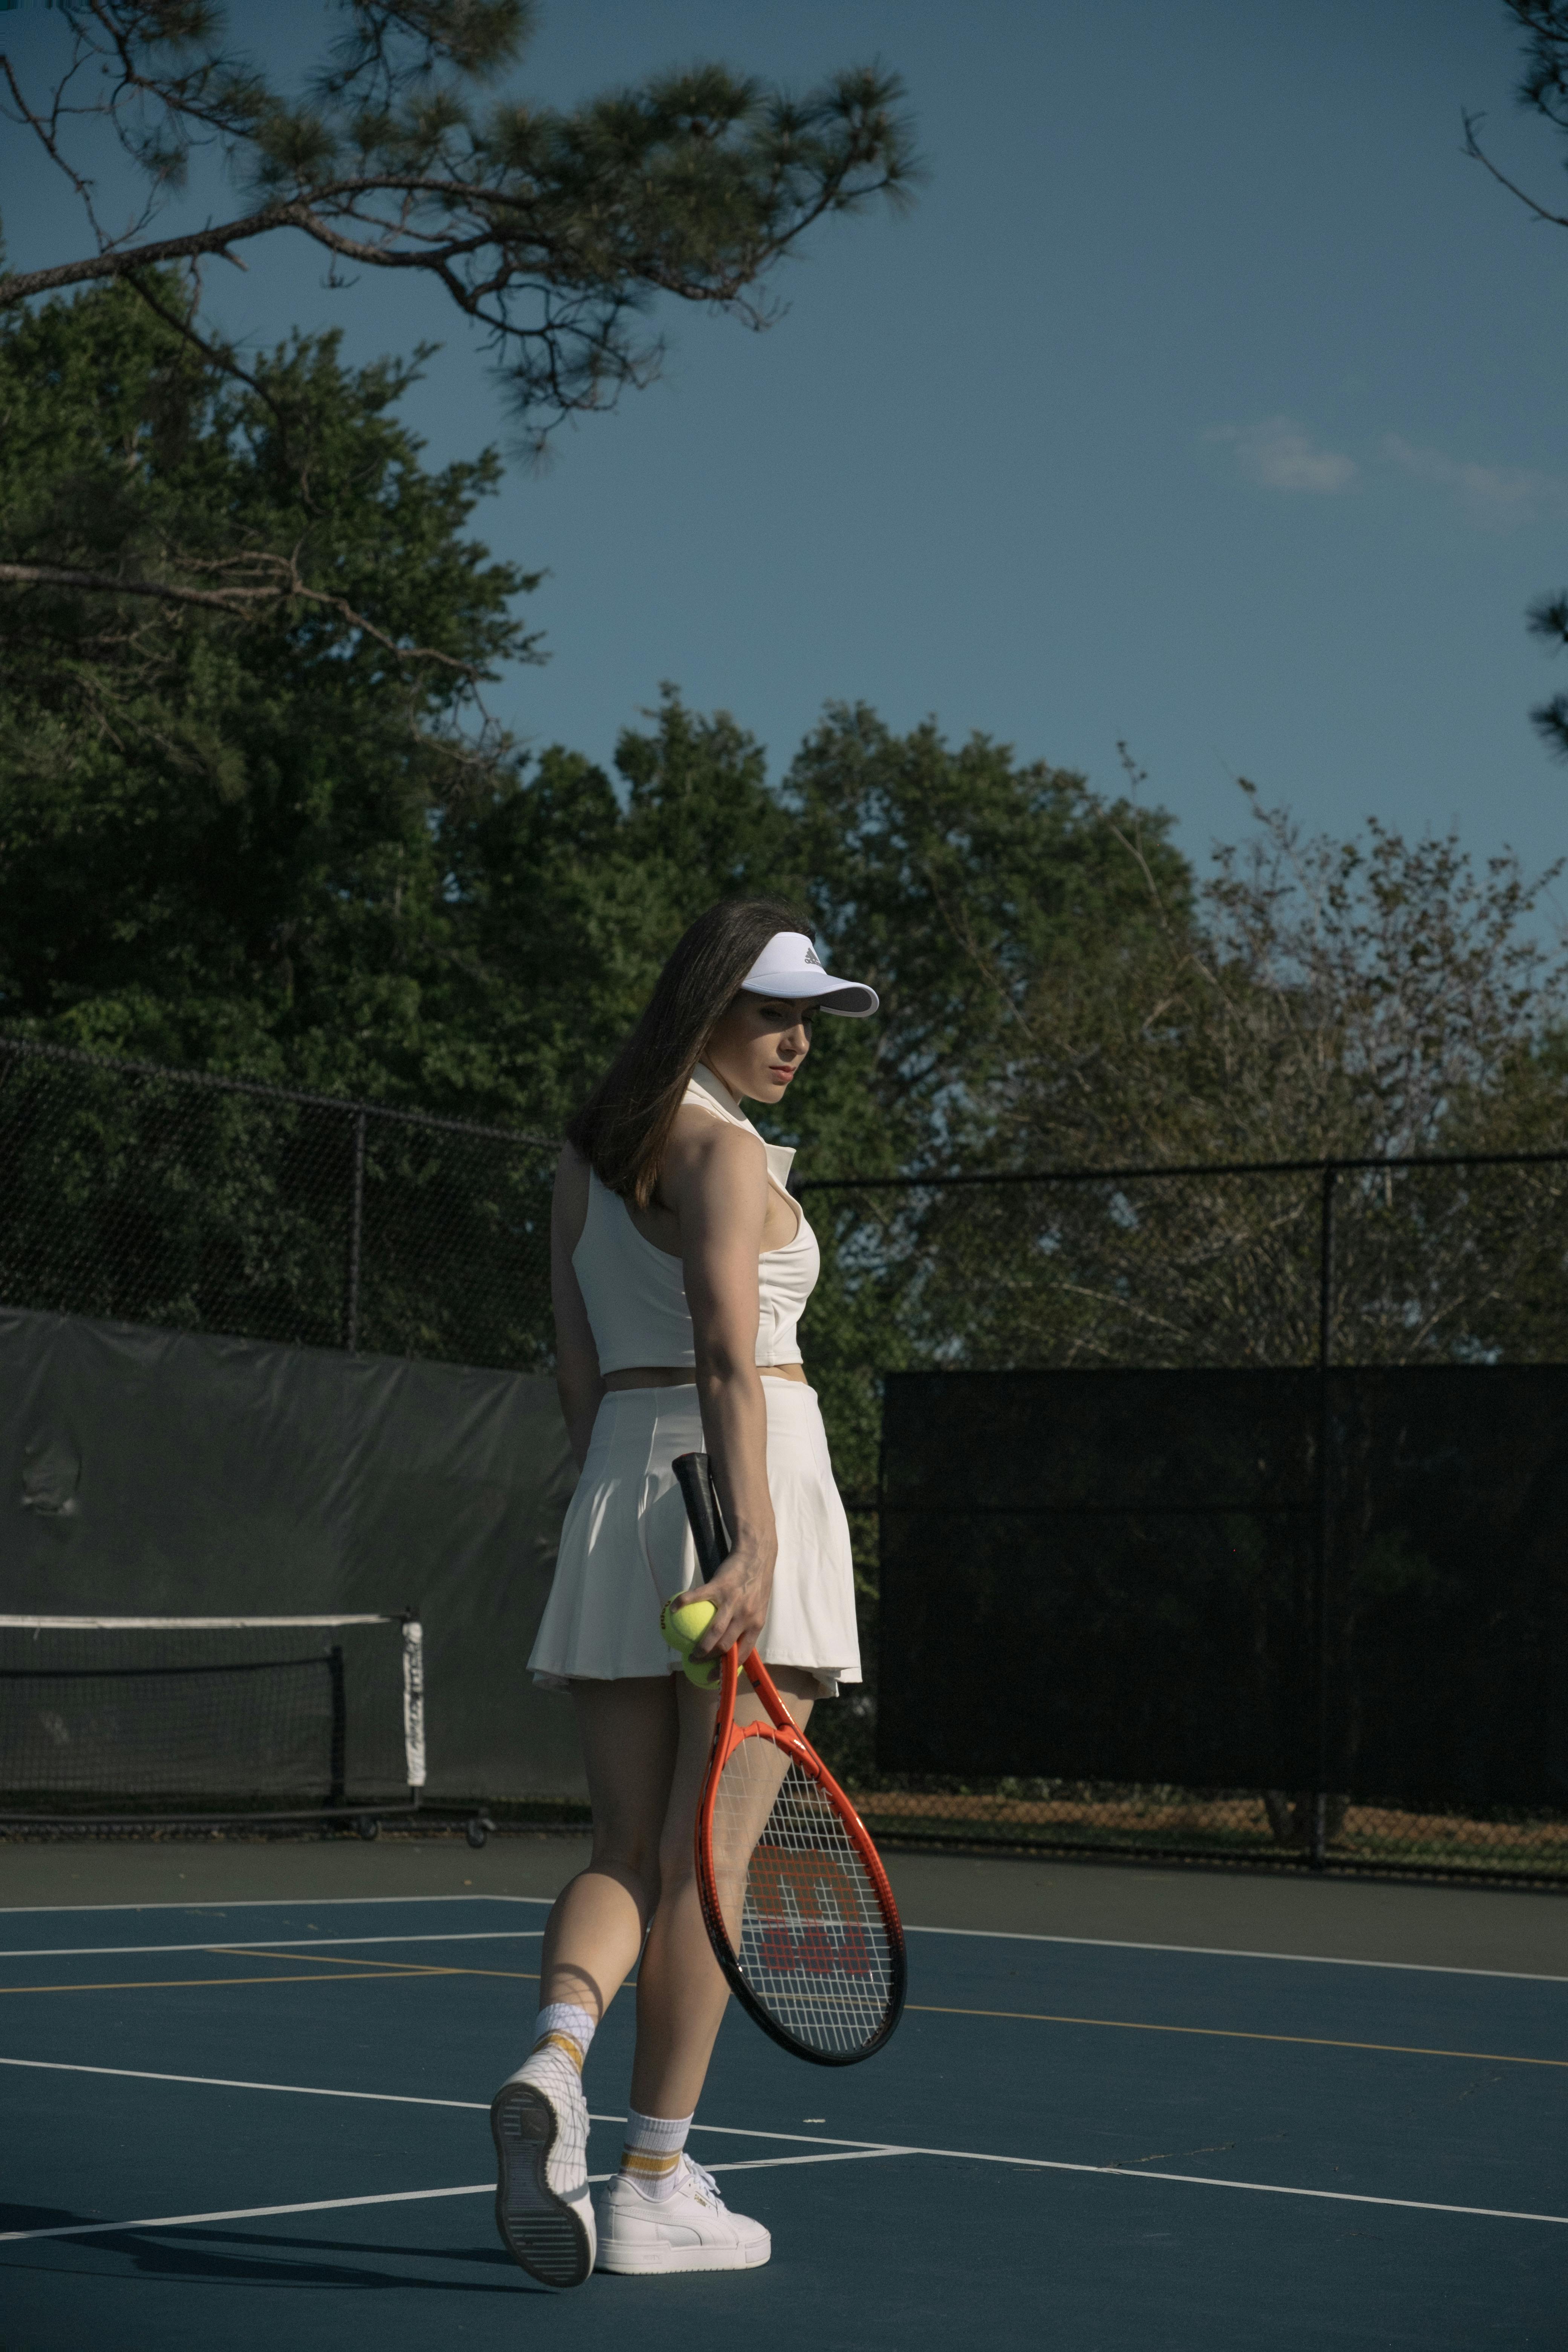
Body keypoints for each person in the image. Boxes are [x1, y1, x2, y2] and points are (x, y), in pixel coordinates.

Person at [488, 897, 877, 2289]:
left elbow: (580, 1366)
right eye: (774, 1012)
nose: (797, 1040)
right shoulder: (720, 1155)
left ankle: (558, 2052)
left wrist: (619, 1504)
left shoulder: (586, 1162)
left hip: (620, 1491)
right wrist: (754, 1547)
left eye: (810, 1018)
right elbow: (728, 1354)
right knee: (704, 1872)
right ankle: (651, 2183)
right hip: (739, 1494)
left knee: (621, 1846)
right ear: (703, 1005)